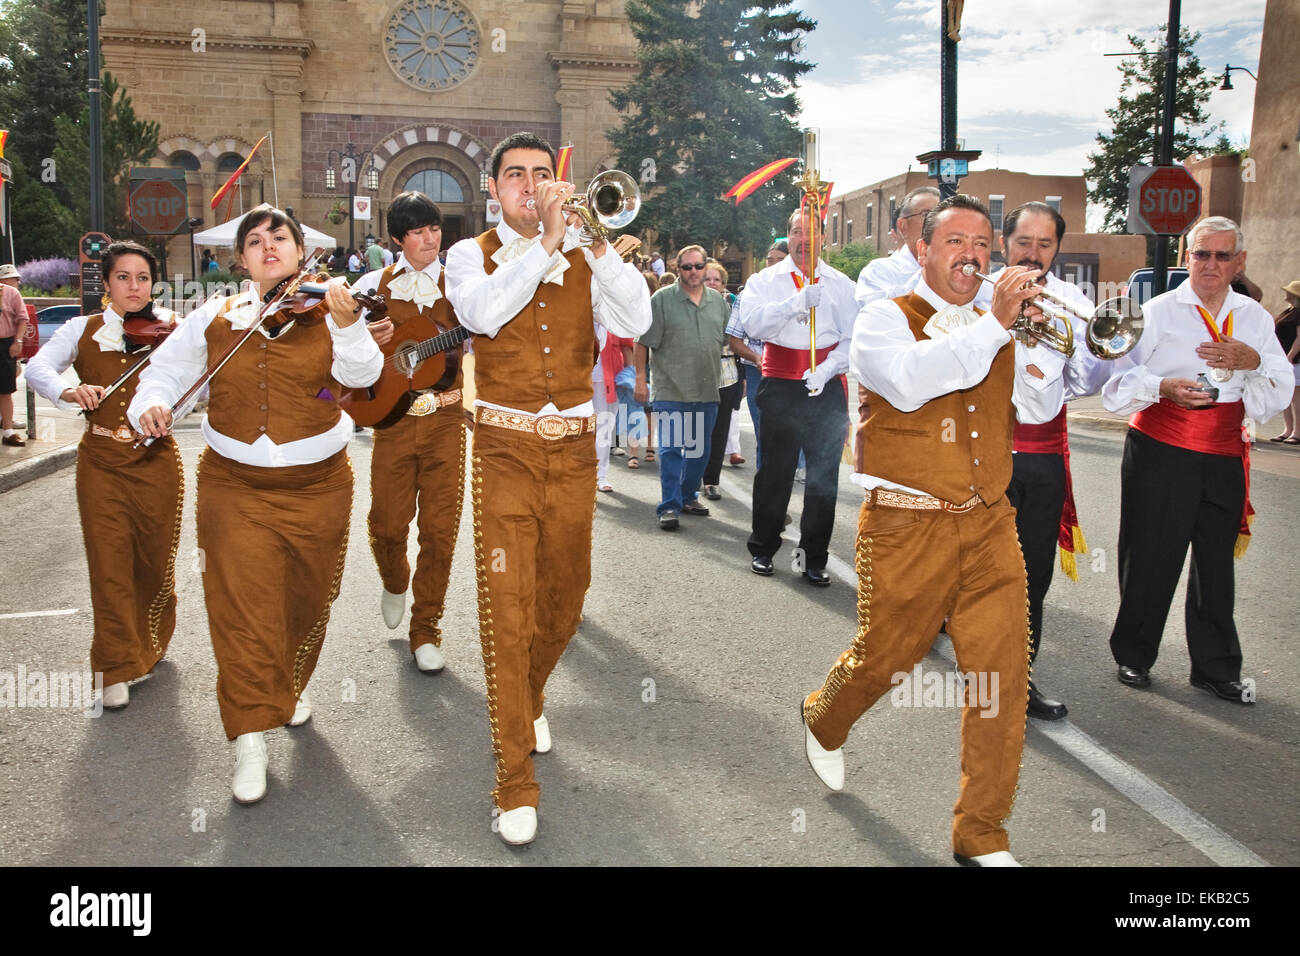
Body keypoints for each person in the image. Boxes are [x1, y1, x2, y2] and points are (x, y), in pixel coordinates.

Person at [800, 194, 1065, 866]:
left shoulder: (997, 322)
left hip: (988, 524)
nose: (972, 255)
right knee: (887, 660)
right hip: (906, 524)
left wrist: (1032, 338)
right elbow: (914, 383)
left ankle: (981, 832)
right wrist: (996, 327)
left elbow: (1039, 403)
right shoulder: (884, 320)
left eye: (982, 244)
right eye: (955, 241)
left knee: (1001, 677)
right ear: (923, 249)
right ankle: (824, 719)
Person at [130, 203, 382, 804]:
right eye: (255, 240)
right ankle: (247, 733)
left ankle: (286, 686)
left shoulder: (329, 310)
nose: (268, 246)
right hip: (234, 486)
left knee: (307, 598)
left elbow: (364, 375)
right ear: (240, 258)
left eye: (280, 237)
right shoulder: (215, 317)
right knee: (239, 607)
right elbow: (164, 374)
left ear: (300, 250)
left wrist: (348, 326)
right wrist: (155, 405)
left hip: (319, 484)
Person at [444, 131, 650, 845]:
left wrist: (590, 244)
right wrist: (544, 245)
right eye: (516, 176)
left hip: (575, 453)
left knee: (564, 600)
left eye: (542, 174)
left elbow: (639, 319)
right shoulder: (468, 255)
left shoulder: (585, 255)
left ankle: (527, 696)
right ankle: (512, 782)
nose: (532, 186)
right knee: (509, 609)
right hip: (504, 447)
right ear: (495, 191)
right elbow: (482, 315)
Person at [1102, 216, 1292, 703]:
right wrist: (1161, 386)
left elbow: (1276, 392)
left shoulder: (1253, 318)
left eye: (1222, 256)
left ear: (1239, 262)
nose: (1210, 264)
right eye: (1201, 254)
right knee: (1151, 554)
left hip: (1225, 451)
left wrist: (1253, 363)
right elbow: (1115, 384)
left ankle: (1215, 666)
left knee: (1214, 562)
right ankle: (1134, 655)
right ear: (1187, 257)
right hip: (1161, 447)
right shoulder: (1157, 312)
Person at [24, 241, 184, 710]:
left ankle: (150, 644)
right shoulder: (81, 328)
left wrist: (170, 408)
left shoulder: (172, 329)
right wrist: (68, 391)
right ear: (106, 283)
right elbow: (36, 367)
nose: (134, 287)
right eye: (123, 277)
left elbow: (199, 384)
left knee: (154, 562)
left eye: (142, 278)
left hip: (156, 459)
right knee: (109, 563)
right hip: (101, 460)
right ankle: (113, 666)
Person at [974, 201, 1109, 721]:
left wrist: (1061, 335)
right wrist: (1006, 323)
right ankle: (982, 673)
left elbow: (1086, 383)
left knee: (1033, 576)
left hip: (1044, 457)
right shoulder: (978, 294)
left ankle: (1018, 681)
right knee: (984, 574)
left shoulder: (1071, 300)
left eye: (1045, 244)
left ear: (1057, 248)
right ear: (1005, 242)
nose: (1033, 254)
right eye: (1024, 242)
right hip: (985, 454)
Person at [350, 190, 462, 674]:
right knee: (386, 527)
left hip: (446, 421)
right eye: (417, 231)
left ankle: (426, 629)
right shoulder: (372, 284)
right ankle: (395, 580)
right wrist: (360, 339)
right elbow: (341, 356)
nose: (429, 240)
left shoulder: (462, 281)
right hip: (392, 424)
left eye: (434, 229)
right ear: (397, 238)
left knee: (440, 531)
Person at [736, 208, 854, 586]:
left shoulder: (842, 284)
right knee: (775, 472)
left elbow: (854, 339)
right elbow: (752, 325)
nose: (803, 239)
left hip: (825, 384)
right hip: (781, 383)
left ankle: (812, 558)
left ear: (822, 236)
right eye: (795, 231)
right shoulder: (765, 279)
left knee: (823, 478)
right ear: (787, 237)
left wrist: (830, 366)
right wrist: (795, 303)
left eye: (810, 231)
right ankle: (763, 548)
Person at [635, 244, 728, 530]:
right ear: (677, 268)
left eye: (698, 266)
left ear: (705, 266)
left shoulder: (719, 302)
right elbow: (643, 342)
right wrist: (641, 378)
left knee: (700, 452)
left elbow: (726, 343)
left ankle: (689, 496)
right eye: (686, 267)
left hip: (707, 389)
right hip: (671, 389)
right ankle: (670, 506)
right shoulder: (662, 300)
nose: (693, 272)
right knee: (671, 449)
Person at [854, 186, 940, 307]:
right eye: (926, 215)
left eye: (941, 215)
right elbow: (877, 314)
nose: (936, 222)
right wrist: (928, 272)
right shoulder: (879, 271)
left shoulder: (962, 270)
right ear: (903, 226)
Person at [701, 259, 743, 499]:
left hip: (727, 375)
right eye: (708, 278)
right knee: (698, 429)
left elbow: (738, 341)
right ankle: (693, 476)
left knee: (720, 430)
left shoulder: (732, 304)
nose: (712, 283)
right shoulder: (693, 303)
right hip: (698, 376)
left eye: (717, 279)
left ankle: (711, 481)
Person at [0, 263, 30, 446]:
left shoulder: (11, 294)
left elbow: (23, 318)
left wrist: (17, 341)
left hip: (5, 344)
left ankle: (8, 431)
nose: (17, 281)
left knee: (6, 390)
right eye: (13, 278)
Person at [1270, 280, 1300, 444]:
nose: (1285, 293)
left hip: (1294, 362)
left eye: (1289, 291)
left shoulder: (1299, 313)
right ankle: (1288, 430)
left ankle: (1297, 432)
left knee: (1296, 397)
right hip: (1283, 360)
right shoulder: (1289, 311)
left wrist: (1289, 357)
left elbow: (1299, 339)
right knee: (1285, 397)